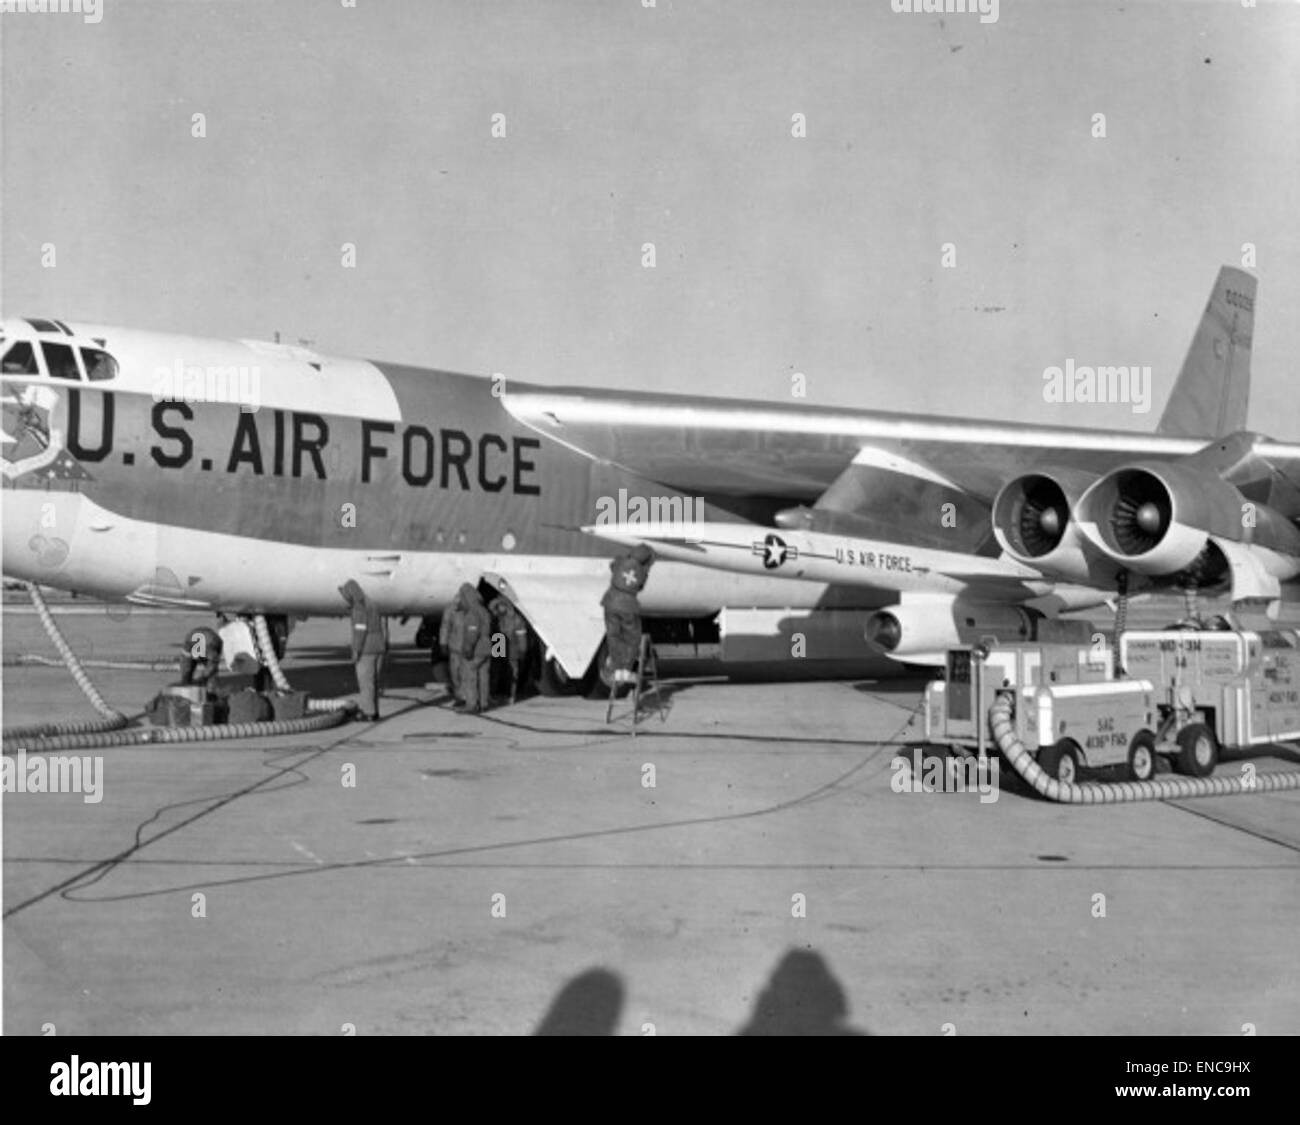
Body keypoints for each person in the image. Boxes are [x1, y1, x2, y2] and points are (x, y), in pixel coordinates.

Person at [601, 544, 654, 683]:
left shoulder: (620, 561)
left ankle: (615, 668)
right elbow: (640, 587)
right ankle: (625, 670)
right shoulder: (643, 572)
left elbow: (612, 566)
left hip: (610, 601)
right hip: (628, 606)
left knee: (613, 636)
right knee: (632, 639)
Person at [338, 579, 388, 720]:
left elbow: (360, 631)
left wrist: (356, 650)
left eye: (346, 595)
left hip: (366, 649)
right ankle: (374, 711)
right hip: (379, 647)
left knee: (366, 682)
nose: (345, 598)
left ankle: (368, 713)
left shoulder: (359, 608)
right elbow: (383, 625)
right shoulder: (371, 603)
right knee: (374, 682)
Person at [456, 582, 493, 713]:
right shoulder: (484, 611)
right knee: (484, 676)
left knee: (470, 676)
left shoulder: (472, 613)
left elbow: (472, 633)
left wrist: (468, 648)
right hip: (487, 648)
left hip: (477, 649)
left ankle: (471, 704)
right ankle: (484, 703)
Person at [489, 594, 531, 704]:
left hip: (512, 650)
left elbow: (521, 637)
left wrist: (522, 650)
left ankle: (511, 696)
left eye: (502, 605)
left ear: (507, 606)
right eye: (498, 606)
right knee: (496, 672)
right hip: (498, 647)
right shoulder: (495, 618)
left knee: (512, 674)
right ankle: (495, 694)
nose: (500, 608)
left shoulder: (516, 619)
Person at [440, 593, 466, 706]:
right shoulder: (451, 610)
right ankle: (459, 696)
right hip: (455, 647)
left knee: (468, 674)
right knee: (455, 673)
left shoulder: (474, 610)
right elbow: (445, 627)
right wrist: (443, 643)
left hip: (469, 648)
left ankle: (468, 697)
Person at [253, 614, 289, 692]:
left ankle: (269, 690)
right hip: (262, 626)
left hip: (273, 625)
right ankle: (262, 690)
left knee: (269, 665)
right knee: (259, 666)